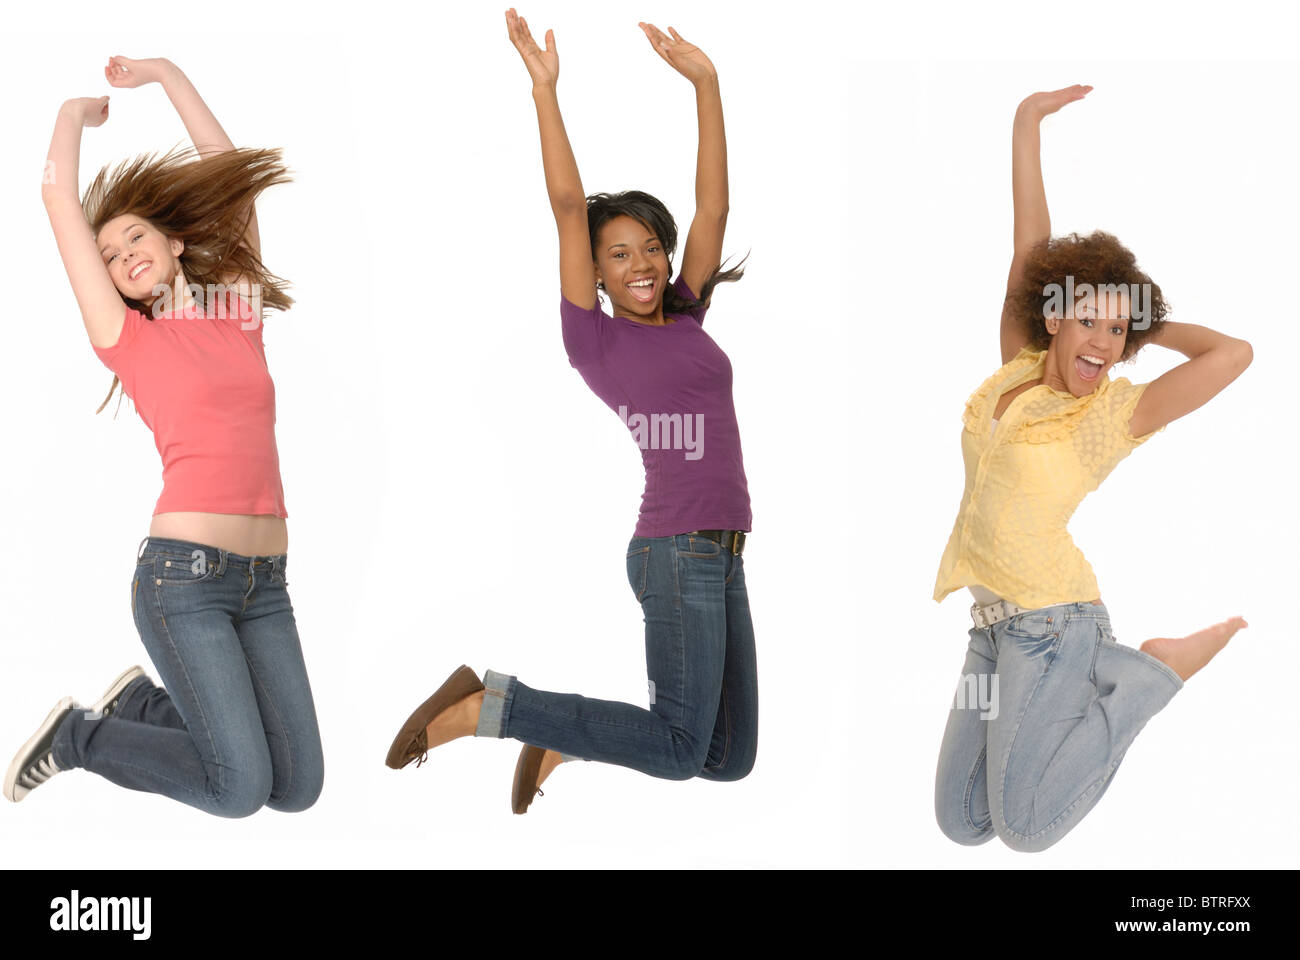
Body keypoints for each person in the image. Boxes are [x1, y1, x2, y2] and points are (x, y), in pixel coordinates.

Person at [385, 10, 758, 814]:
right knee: (679, 745)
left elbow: (714, 211)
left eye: (649, 247)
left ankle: (565, 736)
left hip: (723, 552)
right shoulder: (595, 341)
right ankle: (495, 705)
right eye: (617, 255)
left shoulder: (686, 317)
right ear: (592, 273)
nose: (643, 264)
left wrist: (707, 83)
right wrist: (545, 91)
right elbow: (564, 203)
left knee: (725, 758)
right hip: (676, 551)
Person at [931, 84, 1251, 852]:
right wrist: (1025, 123)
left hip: (1052, 624)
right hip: (990, 633)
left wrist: (1141, 311)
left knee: (1028, 829)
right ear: (1053, 317)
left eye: (1118, 332)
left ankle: (1147, 675)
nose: (1104, 344)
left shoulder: (1111, 415)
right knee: (962, 820)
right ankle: (1108, 672)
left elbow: (1233, 354)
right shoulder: (1016, 369)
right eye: (1089, 321)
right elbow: (1030, 247)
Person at [4, 56, 323, 816]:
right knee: (240, 788)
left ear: (177, 243)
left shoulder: (237, 311)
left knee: (297, 789)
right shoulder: (125, 337)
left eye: (135, 238)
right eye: (109, 256)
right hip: (183, 581)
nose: (122, 258)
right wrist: (75, 116)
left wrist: (166, 76)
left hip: (266, 585)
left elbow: (229, 173)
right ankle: (79, 737)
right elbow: (56, 197)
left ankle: (141, 707)